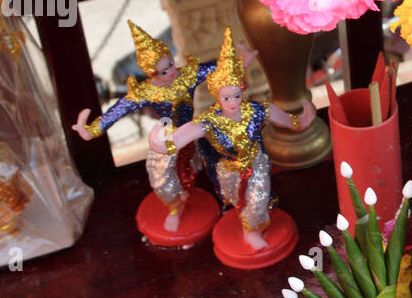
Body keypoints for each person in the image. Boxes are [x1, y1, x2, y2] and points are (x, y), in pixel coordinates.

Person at [71, 21, 252, 233]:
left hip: (193, 130)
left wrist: (241, 62)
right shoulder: (145, 92)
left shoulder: (187, 75)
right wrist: (92, 129)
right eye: (163, 72)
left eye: (171, 65)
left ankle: (228, 201)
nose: (170, 72)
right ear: (151, 74)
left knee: (208, 163)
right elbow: (118, 110)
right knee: (161, 175)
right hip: (166, 134)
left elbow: (219, 69)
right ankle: (175, 208)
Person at [150, 28, 315, 251]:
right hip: (229, 170)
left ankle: (252, 232)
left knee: (257, 201)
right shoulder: (210, 121)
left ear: (242, 90)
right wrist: (160, 141)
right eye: (226, 97)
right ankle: (243, 223)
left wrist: (301, 120)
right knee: (239, 202)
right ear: (217, 96)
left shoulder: (256, 111)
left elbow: (287, 119)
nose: (232, 102)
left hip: (255, 164)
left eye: (236, 95)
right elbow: (178, 139)